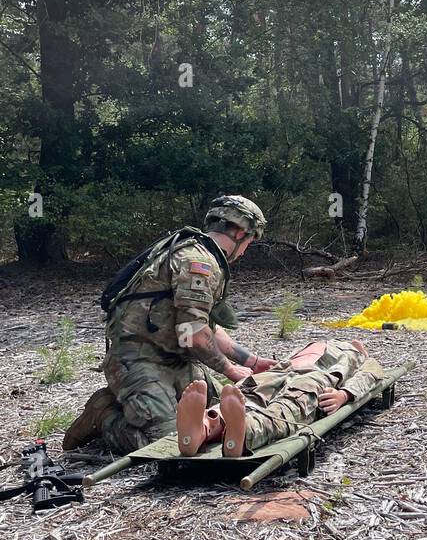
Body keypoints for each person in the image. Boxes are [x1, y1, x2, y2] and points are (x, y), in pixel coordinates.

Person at [64, 196, 273, 454]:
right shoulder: (199, 262)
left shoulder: (200, 253)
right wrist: (231, 370)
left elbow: (205, 326)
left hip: (175, 360)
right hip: (139, 360)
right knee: (171, 444)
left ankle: (130, 404)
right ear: (241, 232)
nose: (245, 251)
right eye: (250, 242)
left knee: (222, 417)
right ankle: (103, 415)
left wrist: (250, 361)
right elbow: (195, 335)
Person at [174, 338, 384, 457]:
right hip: (284, 370)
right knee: (244, 393)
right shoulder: (316, 344)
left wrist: (344, 395)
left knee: (289, 406)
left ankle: (243, 430)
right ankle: (202, 429)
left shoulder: (359, 356)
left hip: (319, 377)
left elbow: (371, 374)